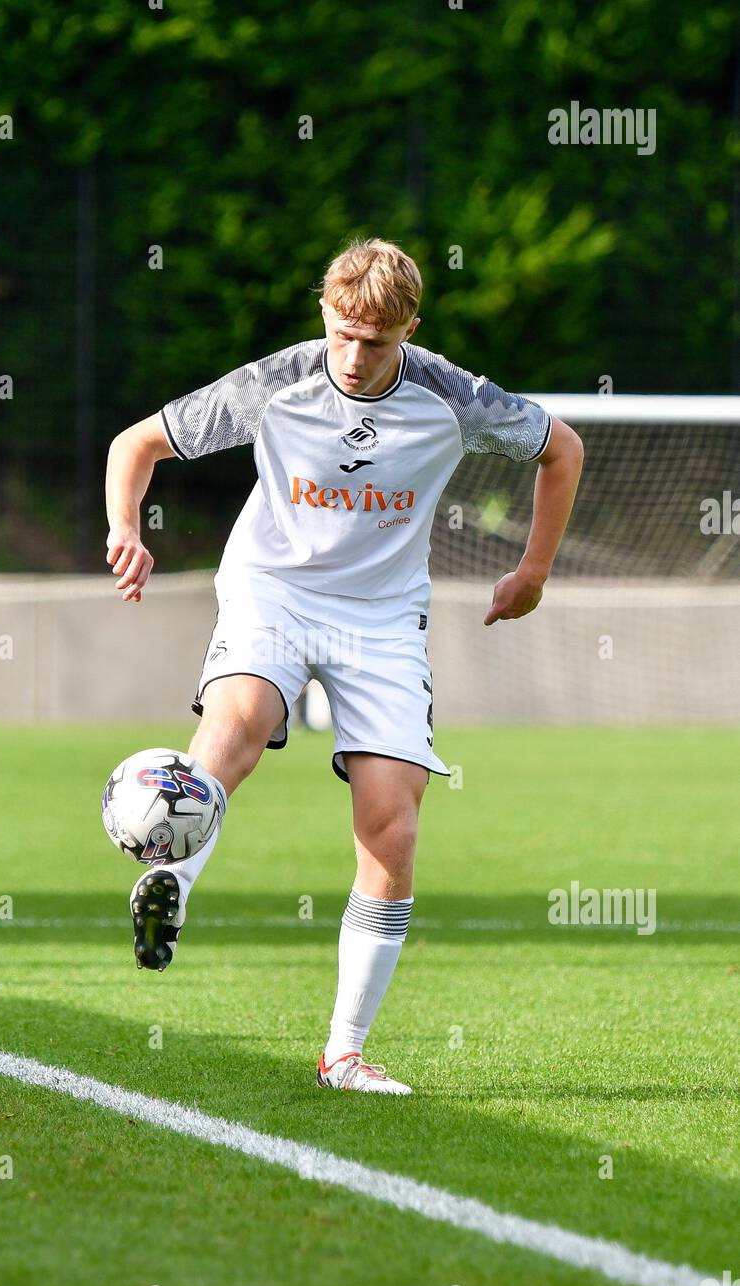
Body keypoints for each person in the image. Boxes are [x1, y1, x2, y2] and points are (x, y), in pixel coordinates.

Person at [104, 238, 583, 1094]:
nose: (357, 358)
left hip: (382, 616)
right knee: (237, 726)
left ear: (410, 329)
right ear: (324, 310)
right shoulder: (275, 382)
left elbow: (563, 450)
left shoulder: (453, 395)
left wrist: (535, 570)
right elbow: (134, 445)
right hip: (273, 592)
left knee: (391, 822)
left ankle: (345, 1054)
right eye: (345, 334)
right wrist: (127, 529)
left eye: (380, 341)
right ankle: (167, 883)